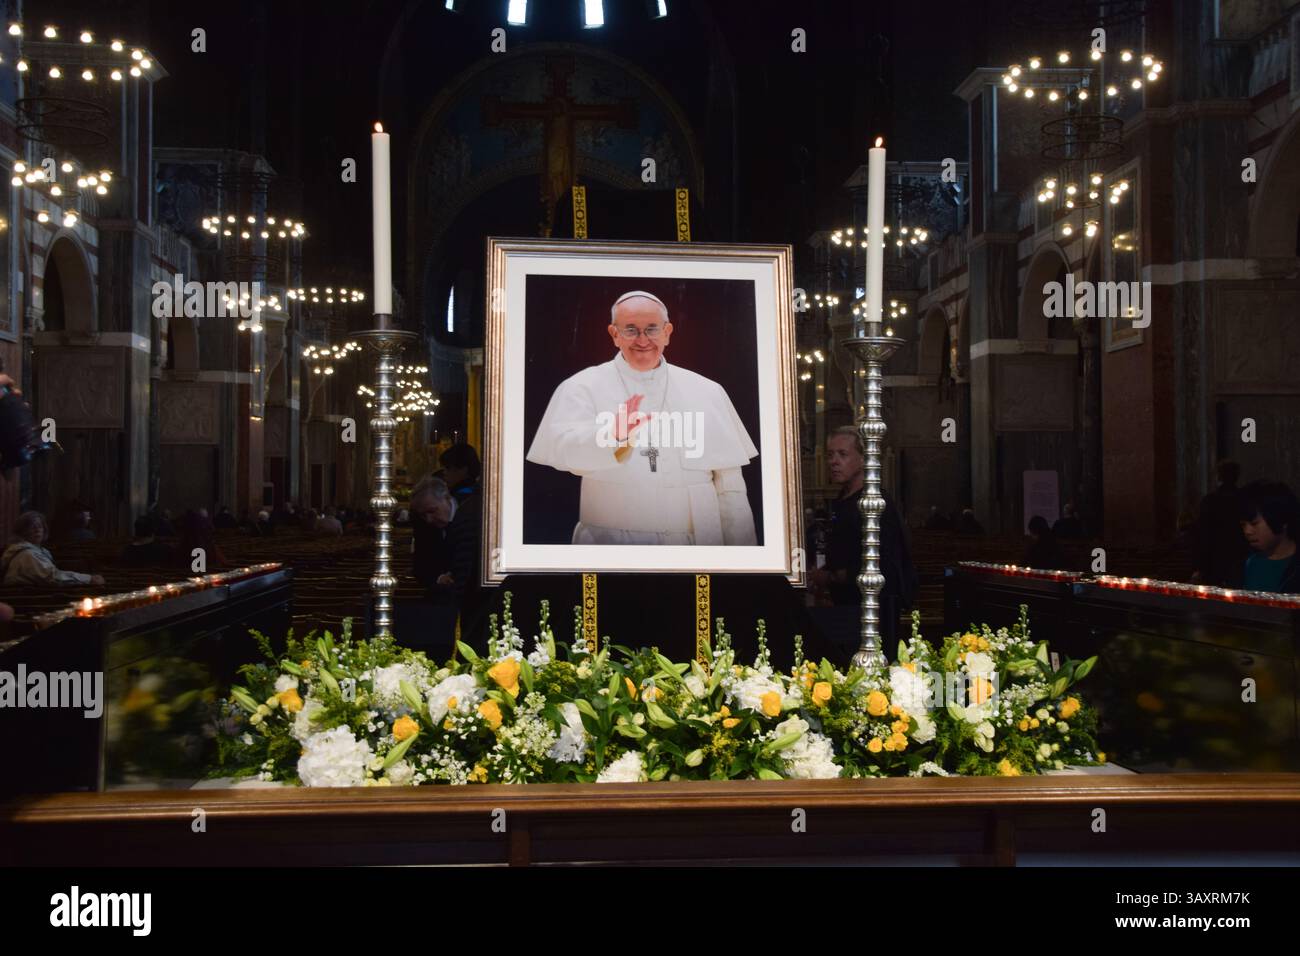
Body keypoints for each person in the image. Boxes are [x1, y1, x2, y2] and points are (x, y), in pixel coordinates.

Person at [527, 290, 759, 546]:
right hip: (610, 545)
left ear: (667, 332)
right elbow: (564, 450)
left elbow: (730, 487)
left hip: (696, 545)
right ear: (614, 334)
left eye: (652, 329)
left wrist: (743, 558)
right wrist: (611, 436)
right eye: (630, 330)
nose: (642, 340)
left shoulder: (707, 391)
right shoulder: (581, 387)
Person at [814, 426, 917, 653]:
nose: (833, 461)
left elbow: (884, 565)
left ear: (863, 459)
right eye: (830, 454)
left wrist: (829, 577)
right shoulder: (842, 499)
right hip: (846, 610)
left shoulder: (875, 502)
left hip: (871, 614)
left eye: (842, 454)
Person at [409, 476, 482, 648]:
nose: (428, 519)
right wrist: (438, 577)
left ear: (447, 498)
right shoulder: (423, 527)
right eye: (423, 514)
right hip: (440, 603)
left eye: (432, 511)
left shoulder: (470, 514)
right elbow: (419, 567)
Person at [1, 511, 105, 587]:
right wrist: (88, 579)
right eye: (32, 526)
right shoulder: (27, 554)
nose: (37, 529)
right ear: (22, 531)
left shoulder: (36, 551)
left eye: (40, 526)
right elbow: (52, 576)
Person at [1194, 460, 1250, 587]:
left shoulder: (1211, 500)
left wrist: (1199, 565)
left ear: (1218, 476)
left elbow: (1202, 534)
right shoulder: (1244, 498)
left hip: (1215, 557)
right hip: (1239, 554)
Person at [1237, 480, 1299, 593]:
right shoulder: (1246, 563)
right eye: (1243, 525)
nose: (1247, 531)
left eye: (1254, 523)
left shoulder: (1295, 568)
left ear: (1280, 518)